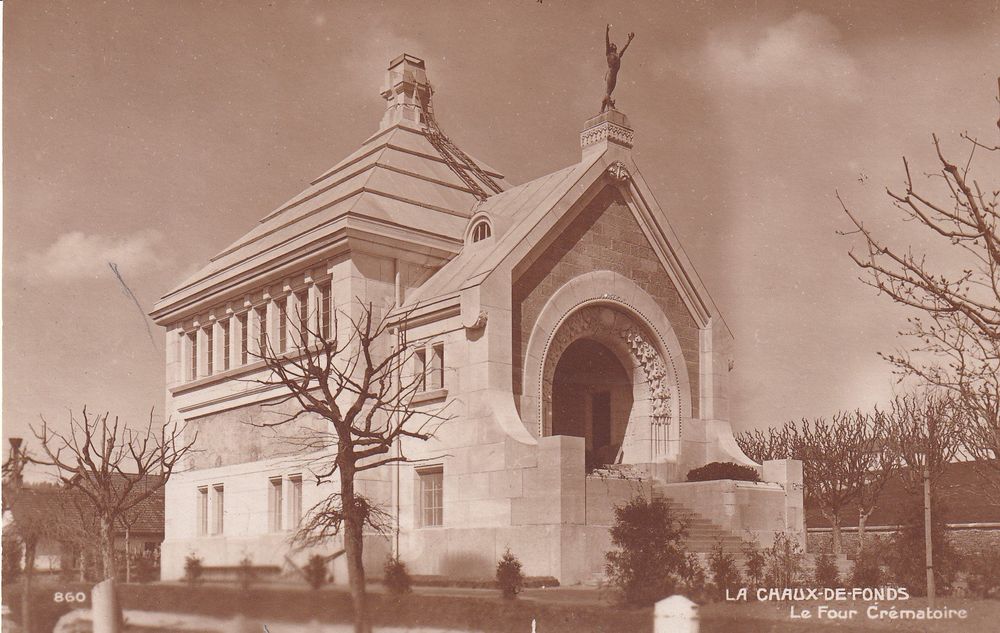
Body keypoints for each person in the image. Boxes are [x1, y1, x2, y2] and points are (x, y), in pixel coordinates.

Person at [602, 24, 635, 112]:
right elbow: (606, 41)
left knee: (609, 92)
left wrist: (629, 41)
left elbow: (624, 49)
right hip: (610, 74)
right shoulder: (609, 54)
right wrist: (607, 32)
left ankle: (602, 108)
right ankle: (609, 106)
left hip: (614, 76)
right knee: (608, 92)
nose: (613, 45)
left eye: (614, 44)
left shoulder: (617, 55)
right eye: (612, 45)